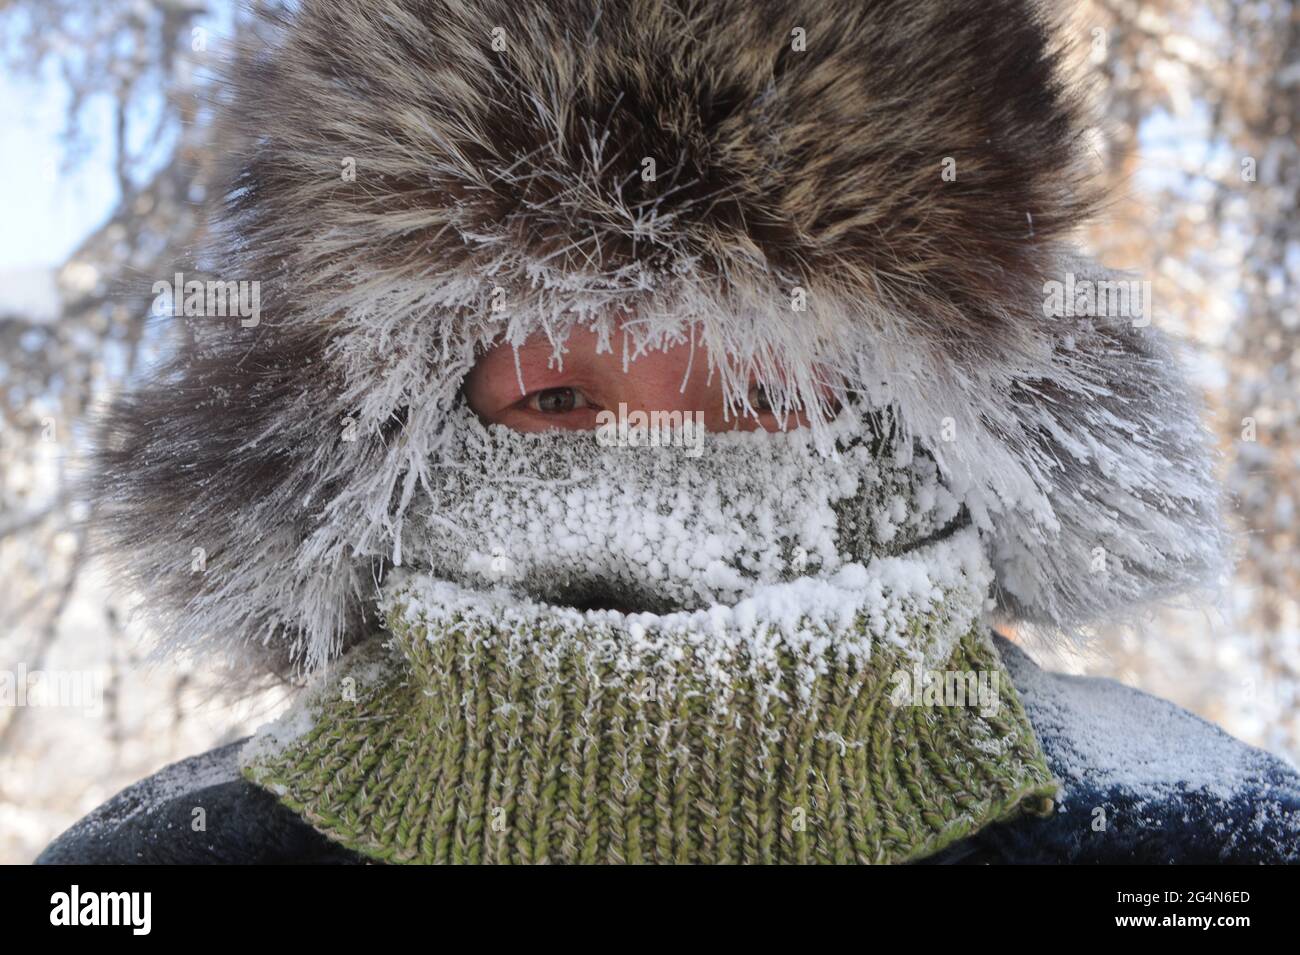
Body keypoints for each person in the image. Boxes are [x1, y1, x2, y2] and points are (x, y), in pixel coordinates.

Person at [39, 0, 1300, 864]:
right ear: (392, 435)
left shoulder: (1199, 848)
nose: (657, 463)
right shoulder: (158, 867)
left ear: (931, 421)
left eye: (756, 390)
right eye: (556, 399)